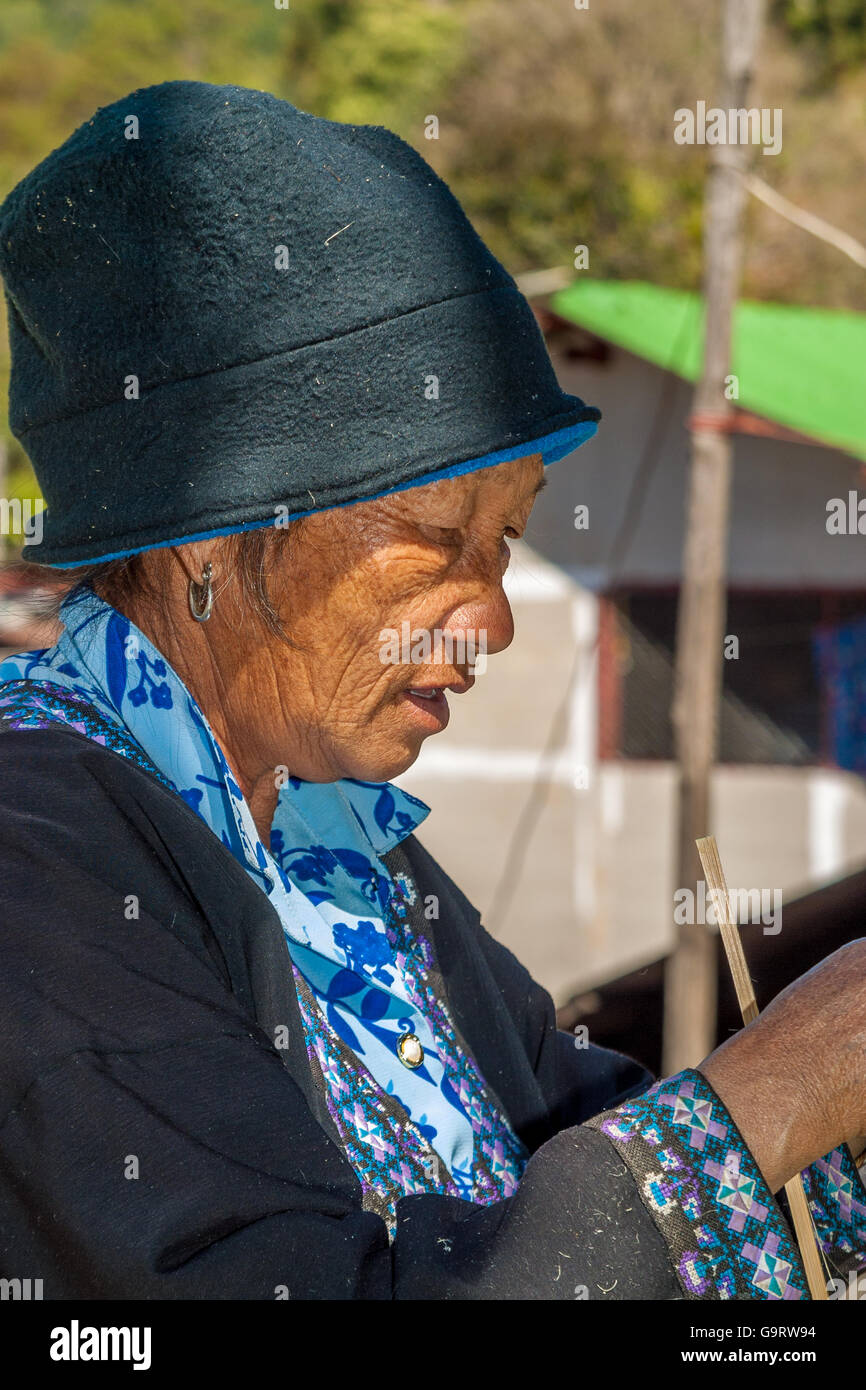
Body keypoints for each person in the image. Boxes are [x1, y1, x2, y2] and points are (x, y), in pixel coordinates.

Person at [0, 80, 863, 1301]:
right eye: (434, 539)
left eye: (502, 543)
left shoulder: (328, 840)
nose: (494, 618)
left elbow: (570, 1144)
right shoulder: (39, 860)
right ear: (205, 537)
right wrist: (762, 1100)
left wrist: (830, 1126)